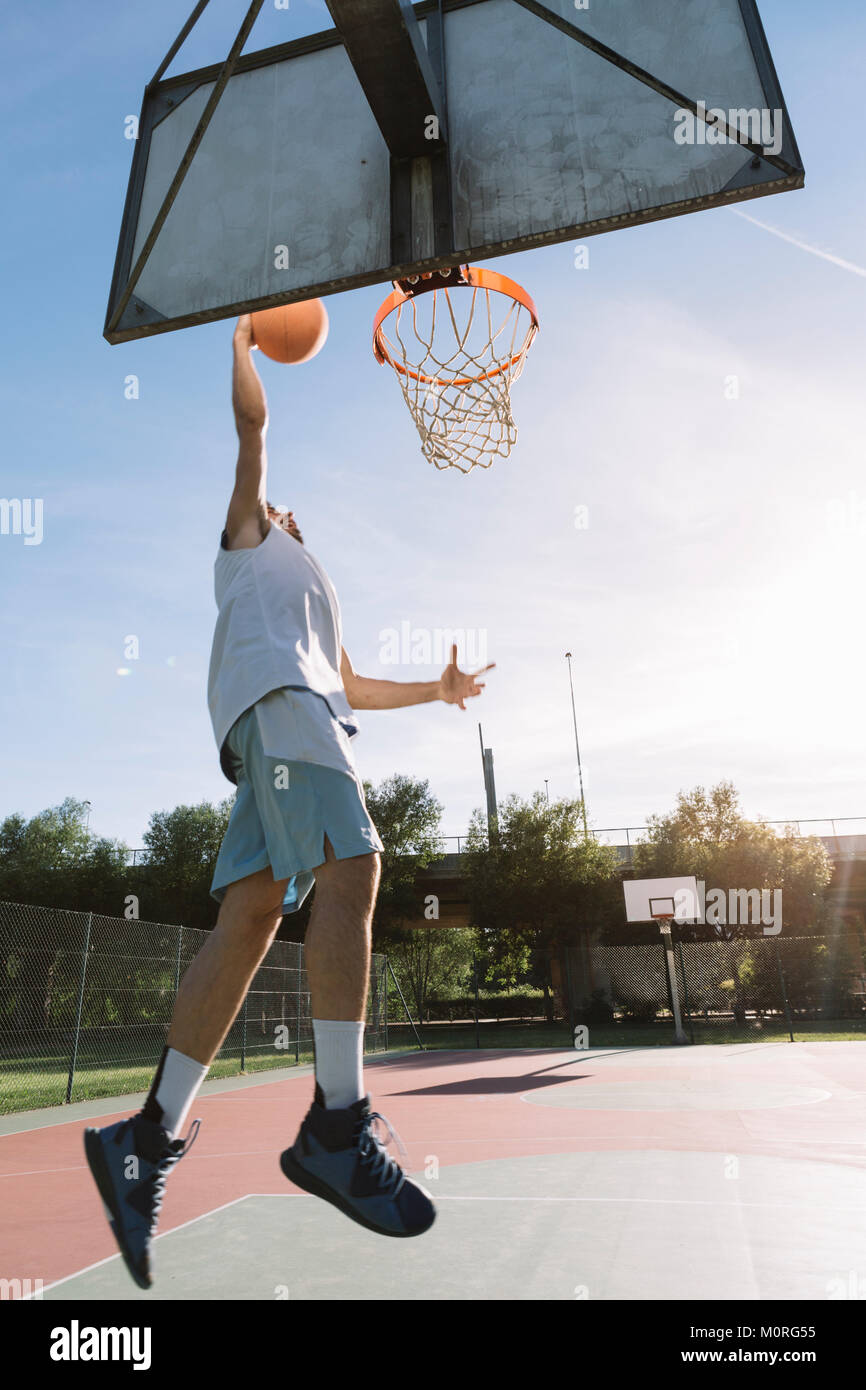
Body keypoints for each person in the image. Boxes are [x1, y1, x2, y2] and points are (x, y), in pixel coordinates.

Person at [84, 314, 494, 1288]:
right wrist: (239, 348)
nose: (286, 512)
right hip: (281, 714)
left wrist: (434, 691)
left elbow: (350, 682)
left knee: (252, 917)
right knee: (356, 866)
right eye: (276, 510)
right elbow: (253, 437)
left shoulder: (314, 584)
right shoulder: (244, 544)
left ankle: (145, 1137)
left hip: (290, 718)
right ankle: (336, 1125)